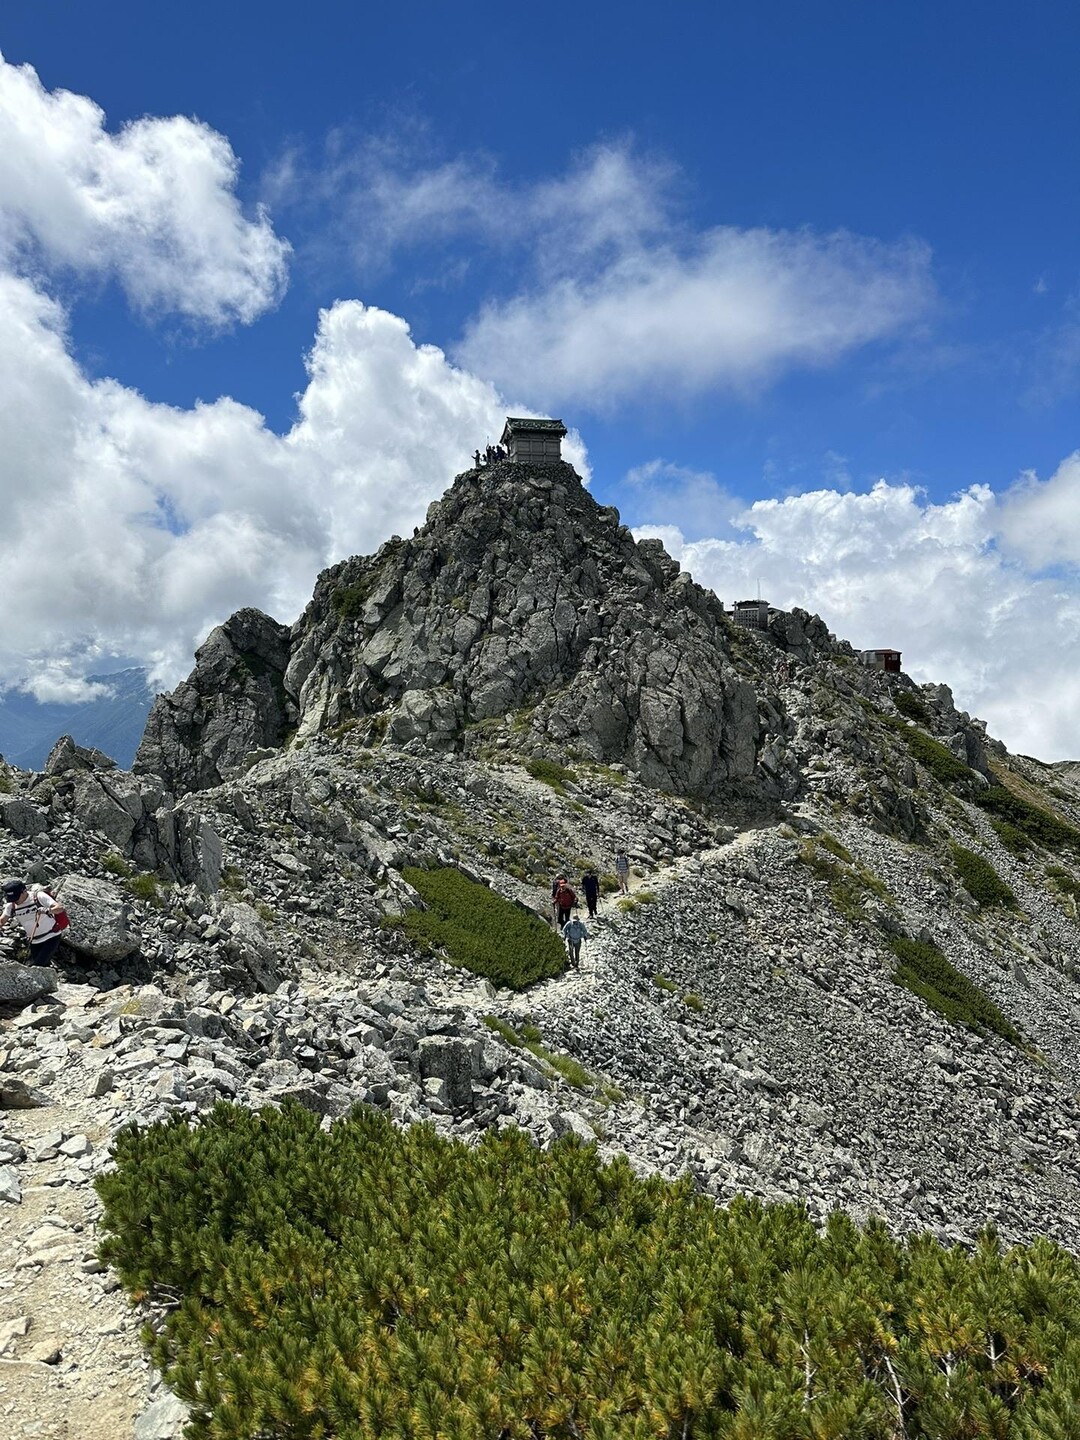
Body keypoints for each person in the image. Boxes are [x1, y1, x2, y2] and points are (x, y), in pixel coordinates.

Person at [0, 878, 64, 967]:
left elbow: (59, 908)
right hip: (34, 941)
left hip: (51, 936)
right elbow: (2, 920)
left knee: (38, 965)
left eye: (16, 897)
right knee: (40, 966)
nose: (15, 901)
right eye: (11, 898)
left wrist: (47, 910)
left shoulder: (38, 896)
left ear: (24, 891)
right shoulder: (12, 905)